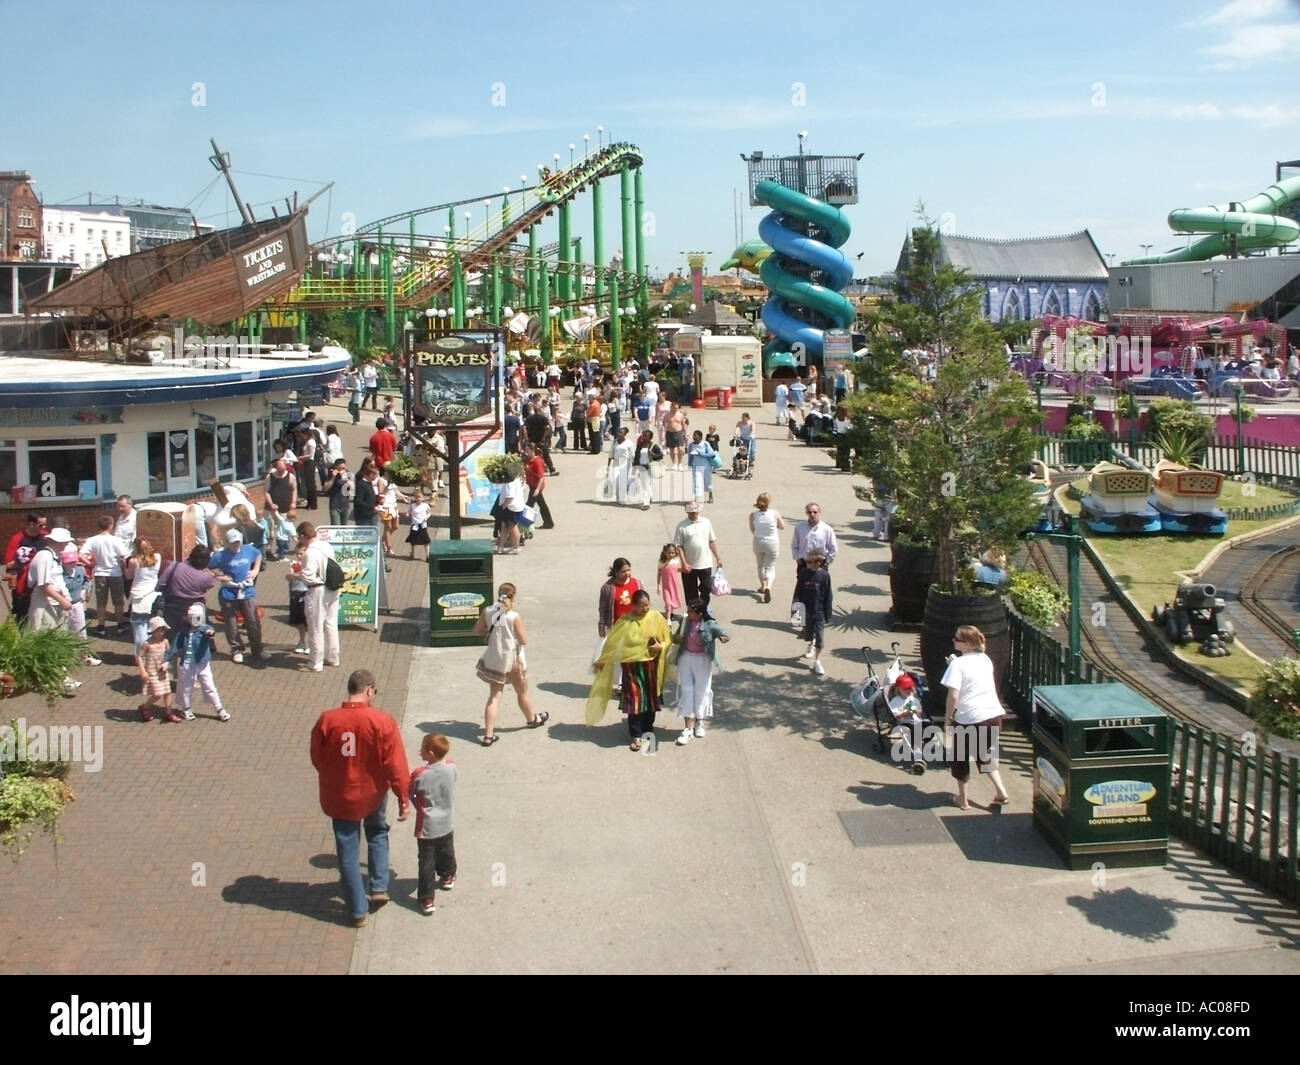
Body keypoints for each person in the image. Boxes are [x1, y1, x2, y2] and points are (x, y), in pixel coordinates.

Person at [310, 669, 411, 927]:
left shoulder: (328, 720)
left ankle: (356, 910)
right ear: (369, 690)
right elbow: (395, 764)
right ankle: (378, 886)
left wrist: (332, 776)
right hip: (373, 792)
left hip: (341, 795)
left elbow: (317, 757)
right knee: (377, 832)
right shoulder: (382, 721)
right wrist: (403, 796)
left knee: (347, 849)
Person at [588, 589, 672, 751]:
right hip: (631, 667)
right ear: (633, 606)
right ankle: (636, 735)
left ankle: (648, 729)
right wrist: (602, 660)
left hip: (650, 666)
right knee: (635, 700)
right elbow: (611, 644)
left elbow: (667, 639)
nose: (645, 609)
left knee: (649, 700)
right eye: (641, 606)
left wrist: (660, 646)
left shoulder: (655, 617)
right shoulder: (625, 621)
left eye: (647, 605)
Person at [942, 625, 1011, 810]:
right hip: (994, 716)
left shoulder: (958, 664)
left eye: (957, 639)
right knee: (983, 752)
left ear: (967, 644)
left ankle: (963, 799)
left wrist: (948, 720)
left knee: (959, 757)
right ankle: (1001, 791)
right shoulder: (985, 659)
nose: (953, 640)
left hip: (971, 718)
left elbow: (954, 695)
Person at [471, 582, 548, 745]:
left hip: (494, 659)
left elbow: (476, 631)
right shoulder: (513, 616)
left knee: (494, 696)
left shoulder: (488, 611)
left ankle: (488, 735)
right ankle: (532, 719)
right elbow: (523, 640)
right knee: (522, 692)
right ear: (513, 597)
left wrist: (492, 632)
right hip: (512, 659)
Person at [672, 598, 730, 746]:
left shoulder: (709, 624)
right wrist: (677, 639)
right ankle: (687, 729)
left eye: (690, 611)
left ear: (699, 613)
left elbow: (721, 631)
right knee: (687, 691)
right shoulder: (686, 622)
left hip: (702, 661)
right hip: (686, 659)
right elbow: (675, 637)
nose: (687, 613)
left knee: (701, 691)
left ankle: (700, 722)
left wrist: (724, 636)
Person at [410, 733, 457, 914]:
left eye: (422, 749)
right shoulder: (452, 767)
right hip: (446, 821)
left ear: (429, 753)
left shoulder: (420, 774)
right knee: (446, 850)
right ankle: (448, 875)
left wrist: (413, 804)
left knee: (426, 861)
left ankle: (427, 898)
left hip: (427, 826)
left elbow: (411, 792)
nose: (419, 751)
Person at [210, 528, 269, 665]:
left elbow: (258, 554)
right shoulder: (220, 556)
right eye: (233, 543)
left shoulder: (248, 550)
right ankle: (236, 650)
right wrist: (219, 576)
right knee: (231, 624)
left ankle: (257, 649)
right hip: (229, 593)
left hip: (247, 591)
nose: (236, 545)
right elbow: (207, 566)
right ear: (227, 543)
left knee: (253, 621)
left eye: (238, 542)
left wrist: (255, 569)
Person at [168, 602, 228, 722]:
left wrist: (210, 633)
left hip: (202, 664)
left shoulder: (204, 629)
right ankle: (186, 709)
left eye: (198, 618)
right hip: (187, 664)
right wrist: (165, 660)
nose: (195, 620)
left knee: (209, 686)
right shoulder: (183, 632)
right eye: (192, 618)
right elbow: (174, 648)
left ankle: (219, 708)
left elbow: (210, 631)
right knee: (186, 687)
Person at [298, 522, 341, 674]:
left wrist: (296, 576)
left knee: (316, 627)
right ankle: (333, 657)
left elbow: (308, 577)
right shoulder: (326, 546)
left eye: (300, 537)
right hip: (333, 588)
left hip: (318, 590)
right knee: (331, 624)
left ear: (303, 536)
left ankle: (315, 663)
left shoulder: (309, 553)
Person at [83, 515, 129, 635]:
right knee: (118, 601)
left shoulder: (92, 540)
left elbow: (81, 554)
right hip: (115, 573)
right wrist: (124, 570)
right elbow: (122, 558)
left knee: (101, 601)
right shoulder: (116, 540)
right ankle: (120, 625)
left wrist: (91, 564)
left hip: (99, 573)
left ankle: (101, 626)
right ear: (110, 525)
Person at [673, 500, 722, 611]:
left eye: (695, 511)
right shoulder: (681, 526)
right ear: (687, 511)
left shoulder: (706, 522)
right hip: (689, 566)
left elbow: (711, 541)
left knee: (706, 588)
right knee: (691, 593)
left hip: (705, 563)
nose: (693, 513)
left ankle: (702, 610)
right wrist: (684, 563)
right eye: (691, 512)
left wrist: (718, 557)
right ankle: (692, 613)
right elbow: (678, 546)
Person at [793, 549, 832, 676]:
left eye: (809, 562)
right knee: (808, 634)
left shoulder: (824, 576)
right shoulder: (804, 573)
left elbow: (828, 595)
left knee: (820, 637)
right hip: (806, 611)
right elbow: (797, 592)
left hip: (819, 612)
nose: (807, 564)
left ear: (818, 563)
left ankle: (817, 660)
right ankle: (811, 641)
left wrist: (827, 613)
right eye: (806, 561)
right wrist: (796, 611)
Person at [160, 545, 216, 634]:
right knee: (200, 633)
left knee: (172, 636)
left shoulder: (174, 566)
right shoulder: (206, 577)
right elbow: (211, 584)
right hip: (196, 607)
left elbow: (161, 584)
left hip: (172, 606)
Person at [4, 512, 48, 623]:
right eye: (41, 525)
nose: (44, 528)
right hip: (23, 583)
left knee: (41, 613)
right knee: (22, 613)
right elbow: (9, 563)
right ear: (31, 524)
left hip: (41, 581)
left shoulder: (45, 537)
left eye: (44, 525)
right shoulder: (18, 539)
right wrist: (23, 561)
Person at [136, 616, 176, 722]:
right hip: (152, 672)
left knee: (167, 692)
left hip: (163, 672)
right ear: (152, 631)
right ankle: (144, 707)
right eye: (158, 630)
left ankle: (169, 713)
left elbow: (169, 654)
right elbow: (139, 656)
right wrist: (143, 671)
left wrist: (167, 663)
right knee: (157, 694)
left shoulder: (165, 642)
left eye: (162, 630)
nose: (161, 633)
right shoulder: (147, 644)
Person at [749, 492, 785, 604]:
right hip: (772, 542)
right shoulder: (775, 513)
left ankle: (762, 586)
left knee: (760, 565)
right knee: (770, 565)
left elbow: (752, 529)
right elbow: (782, 526)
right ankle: (768, 586)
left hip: (758, 541)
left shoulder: (753, 515)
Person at [598, 557, 642, 638]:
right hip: (616, 628)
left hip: (635, 625)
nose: (627, 573)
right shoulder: (607, 588)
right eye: (623, 571)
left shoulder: (637, 583)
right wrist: (602, 626)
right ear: (616, 572)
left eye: (628, 570)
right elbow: (603, 609)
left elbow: (643, 602)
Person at [263, 458, 297, 561]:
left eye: (284, 468)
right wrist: (271, 503)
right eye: (280, 469)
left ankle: (281, 551)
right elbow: (266, 492)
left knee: (283, 530)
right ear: (276, 467)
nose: (282, 471)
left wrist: (293, 502)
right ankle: (268, 549)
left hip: (284, 507)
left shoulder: (290, 476)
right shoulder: (270, 477)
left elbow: (294, 489)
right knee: (270, 530)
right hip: (270, 508)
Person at [790, 502, 838, 576]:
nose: (812, 514)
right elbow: (794, 545)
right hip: (804, 563)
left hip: (820, 564)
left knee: (820, 587)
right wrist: (798, 558)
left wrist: (826, 562)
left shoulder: (827, 529)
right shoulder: (800, 527)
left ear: (819, 512)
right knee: (803, 586)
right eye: (809, 512)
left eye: (815, 512)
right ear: (806, 513)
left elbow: (833, 548)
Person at [521, 442, 555, 530]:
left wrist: (537, 489)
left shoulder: (537, 462)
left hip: (536, 487)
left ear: (532, 450)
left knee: (529, 505)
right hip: (532, 485)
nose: (526, 452)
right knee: (542, 505)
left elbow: (541, 477)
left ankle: (524, 524)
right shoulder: (529, 460)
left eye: (527, 450)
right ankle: (549, 522)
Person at [286, 538, 309, 655]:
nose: (299, 556)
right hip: (296, 593)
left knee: (308, 619)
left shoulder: (310, 564)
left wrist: (297, 576)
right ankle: (302, 641)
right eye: (297, 553)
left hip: (307, 593)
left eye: (301, 553)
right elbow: (289, 577)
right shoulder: (294, 564)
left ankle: (309, 643)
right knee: (299, 620)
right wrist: (290, 576)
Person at [687, 429, 716, 504]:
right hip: (696, 466)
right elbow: (690, 456)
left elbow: (711, 454)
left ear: (700, 437)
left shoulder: (705, 444)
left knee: (708, 482)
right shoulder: (691, 445)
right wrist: (689, 465)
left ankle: (710, 494)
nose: (694, 437)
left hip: (706, 466)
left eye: (695, 436)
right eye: (693, 435)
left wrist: (701, 454)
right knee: (697, 483)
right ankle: (698, 499)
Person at [322, 458, 353, 527]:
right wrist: (333, 477)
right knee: (336, 528)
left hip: (345, 505)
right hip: (335, 505)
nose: (342, 470)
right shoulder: (331, 474)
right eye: (340, 468)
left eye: (344, 468)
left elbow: (351, 489)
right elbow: (325, 488)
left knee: (344, 528)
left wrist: (346, 479)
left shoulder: (348, 473)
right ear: (336, 467)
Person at [657, 543, 684, 619]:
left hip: (674, 585)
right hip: (666, 586)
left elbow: (678, 569)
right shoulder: (661, 562)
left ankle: (670, 614)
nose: (671, 555)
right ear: (664, 552)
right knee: (668, 602)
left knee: (673, 600)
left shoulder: (676, 560)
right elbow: (659, 574)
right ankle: (668, 618)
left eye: (673, 553)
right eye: (669, 553)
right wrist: (658, 585)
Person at [631, 430, 656, 511]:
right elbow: (636, 456)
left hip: (650, 467)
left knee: (645, 485)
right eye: (643, 435)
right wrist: (634, 467)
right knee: (645, 483)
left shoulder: (653, 446)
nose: (643, 437)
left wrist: (652, 454)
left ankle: (646, 502)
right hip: (641, 467)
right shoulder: (640, 445)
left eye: (645, 435)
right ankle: (651, 497)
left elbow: (659, 456)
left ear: (650, 438)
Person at [406, 488, 431, 560]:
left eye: (420, 497)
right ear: (415, 497)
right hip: (415, 525)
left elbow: (429, 513)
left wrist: (426, 517)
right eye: (417, 497)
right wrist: (407, 514)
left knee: (426, 541)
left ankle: (427, 555)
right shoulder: (412, 505)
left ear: (423, 497)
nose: (419, 499)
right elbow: (409, 512)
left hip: (423, 525)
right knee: (413, 540)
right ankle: (412, 552)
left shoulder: (425, 505)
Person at [664, 403, 689, 470]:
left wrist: (686, 433)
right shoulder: (667, 415)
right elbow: (664, 425)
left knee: (680, 449)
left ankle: (680, 463)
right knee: (671, 450)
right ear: (671, 407)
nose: (675, 409)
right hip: (669, 433)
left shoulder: (680, 415)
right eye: (674, 408)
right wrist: (663, 434)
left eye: (676, 408)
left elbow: (684, 425)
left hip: (678, 432)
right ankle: (674, 464)